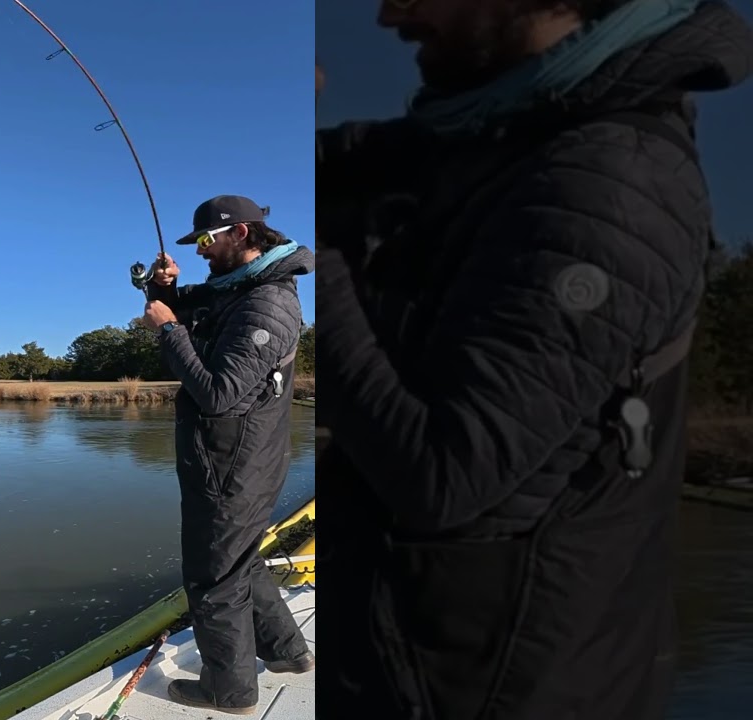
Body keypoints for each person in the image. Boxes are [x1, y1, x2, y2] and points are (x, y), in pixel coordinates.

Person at [315, 1, 752, 718]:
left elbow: (444, 477)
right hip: (423, 670)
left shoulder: (610, 183)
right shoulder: (499, 126)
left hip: (481, 692)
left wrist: (309, 269)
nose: (388, 13)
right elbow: (360, 157)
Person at [138, 194, 315, 714]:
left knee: (212, 577)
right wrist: (162, 290)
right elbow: (189, 301)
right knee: (240, 562)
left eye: (206, 241)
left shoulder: (267, 304)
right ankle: (288, 654)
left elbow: (219, 393)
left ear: (241, 233)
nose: (199, 251)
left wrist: (169, 331)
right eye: (194, 244)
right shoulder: (238, 288)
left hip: (232, 467)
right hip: (234, 460)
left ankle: (228, 691)